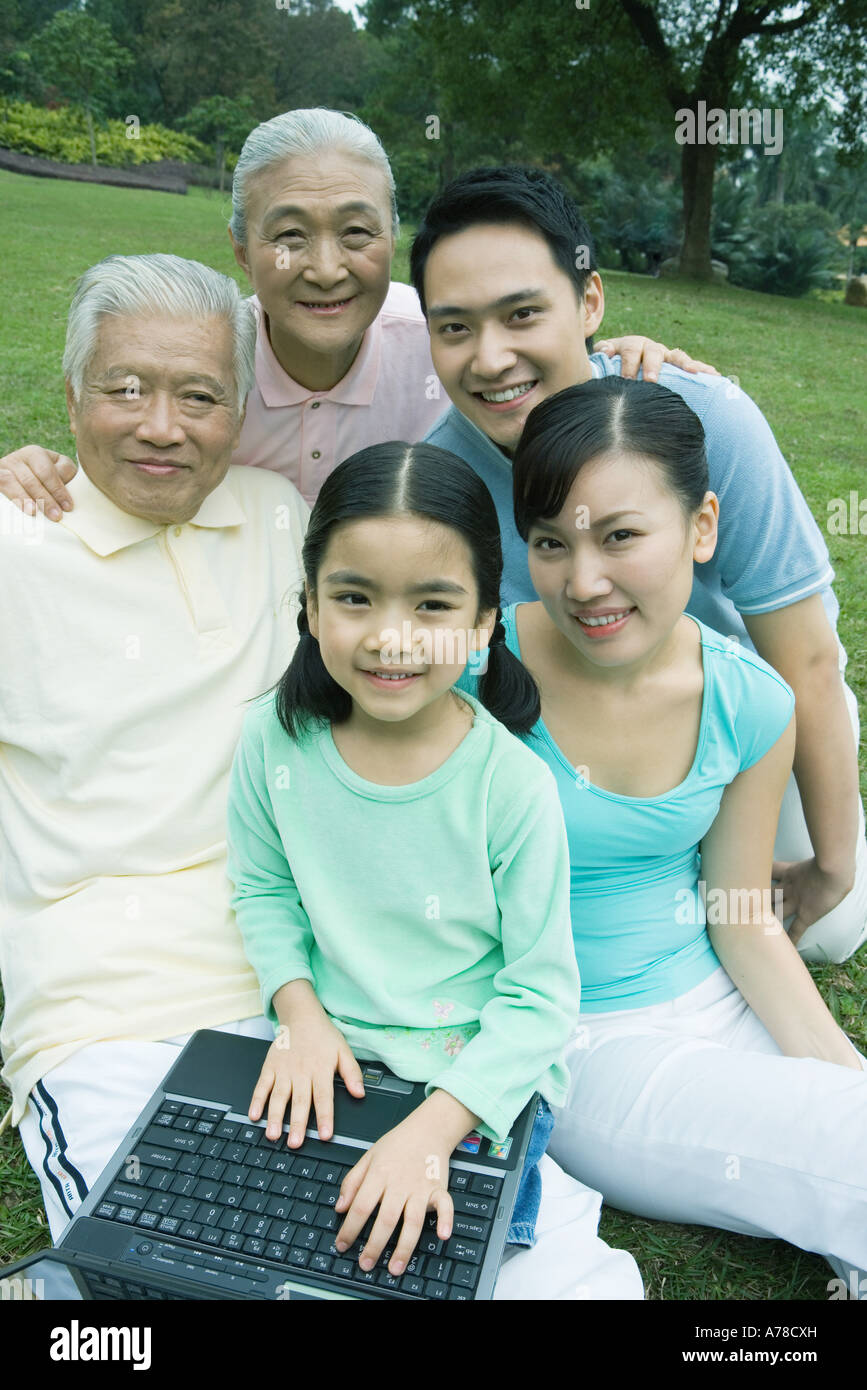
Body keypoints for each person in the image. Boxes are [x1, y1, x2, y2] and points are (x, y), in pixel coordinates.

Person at [458, 376, 867, 1286]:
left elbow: (741, 916)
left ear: (701, 526)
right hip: (580, 1042)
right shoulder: (476, 676)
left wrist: (847, 1075)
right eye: (551, 543)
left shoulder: (748, 698)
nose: (583, 582)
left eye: (619, 537)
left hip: (717, 994)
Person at [410, 164, 867, 967]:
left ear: (588, 303)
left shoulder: (704, 416)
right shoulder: (438, 482)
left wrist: (832, 861)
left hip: (736, 731)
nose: (490, 359)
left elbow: (804, 656)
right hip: (577, 752)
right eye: (454, 328)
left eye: (522, 314)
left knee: (828, 931)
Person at [225, 440, 644, 1300]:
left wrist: (432, 1131)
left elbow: (538, 999)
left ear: (486, 622)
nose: (391, 638)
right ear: (308, 606)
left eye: (433, 605)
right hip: (330, 1061)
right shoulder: (273, 739)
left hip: (469, 1082)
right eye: (354, 598)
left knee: (476, 1274)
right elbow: (264, 889)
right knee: (250, 1249)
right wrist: (299, 1016)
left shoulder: (512, 788)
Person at [0, 253, 309, 1241]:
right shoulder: (13, 543)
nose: (161, 426)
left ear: (241, 410)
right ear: (72, 396)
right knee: (164, 1258)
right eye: (124, 389)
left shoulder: (283, 519)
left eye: (200, 396)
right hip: (110, 1012)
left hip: (312, 984)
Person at [0, 110, 712, 516]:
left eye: (356, 231)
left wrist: (599, 357)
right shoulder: (207, 363)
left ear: (391, 240)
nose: (325, 267)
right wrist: (36, 470)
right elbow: (133, 435)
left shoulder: (445, 347)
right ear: (242, 253)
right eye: (287, 236)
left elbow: (530, 369)